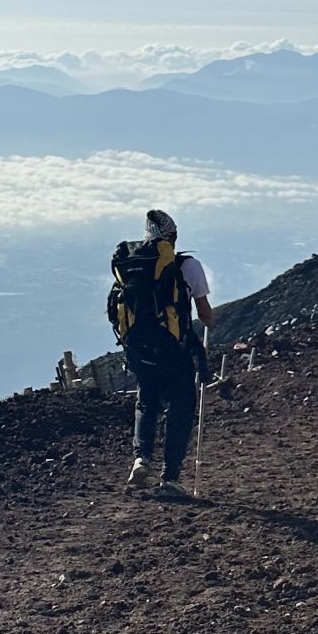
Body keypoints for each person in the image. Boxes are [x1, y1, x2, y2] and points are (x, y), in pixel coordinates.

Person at [108, 209, 214, 499]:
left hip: (139, 350)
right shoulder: (187, 266)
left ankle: (141, 459)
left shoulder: (130, 266)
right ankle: (169, 478)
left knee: (146, 401)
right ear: (173, 237)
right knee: (181, 406)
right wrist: (208, 322)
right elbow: (205, 315)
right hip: (173, 351)